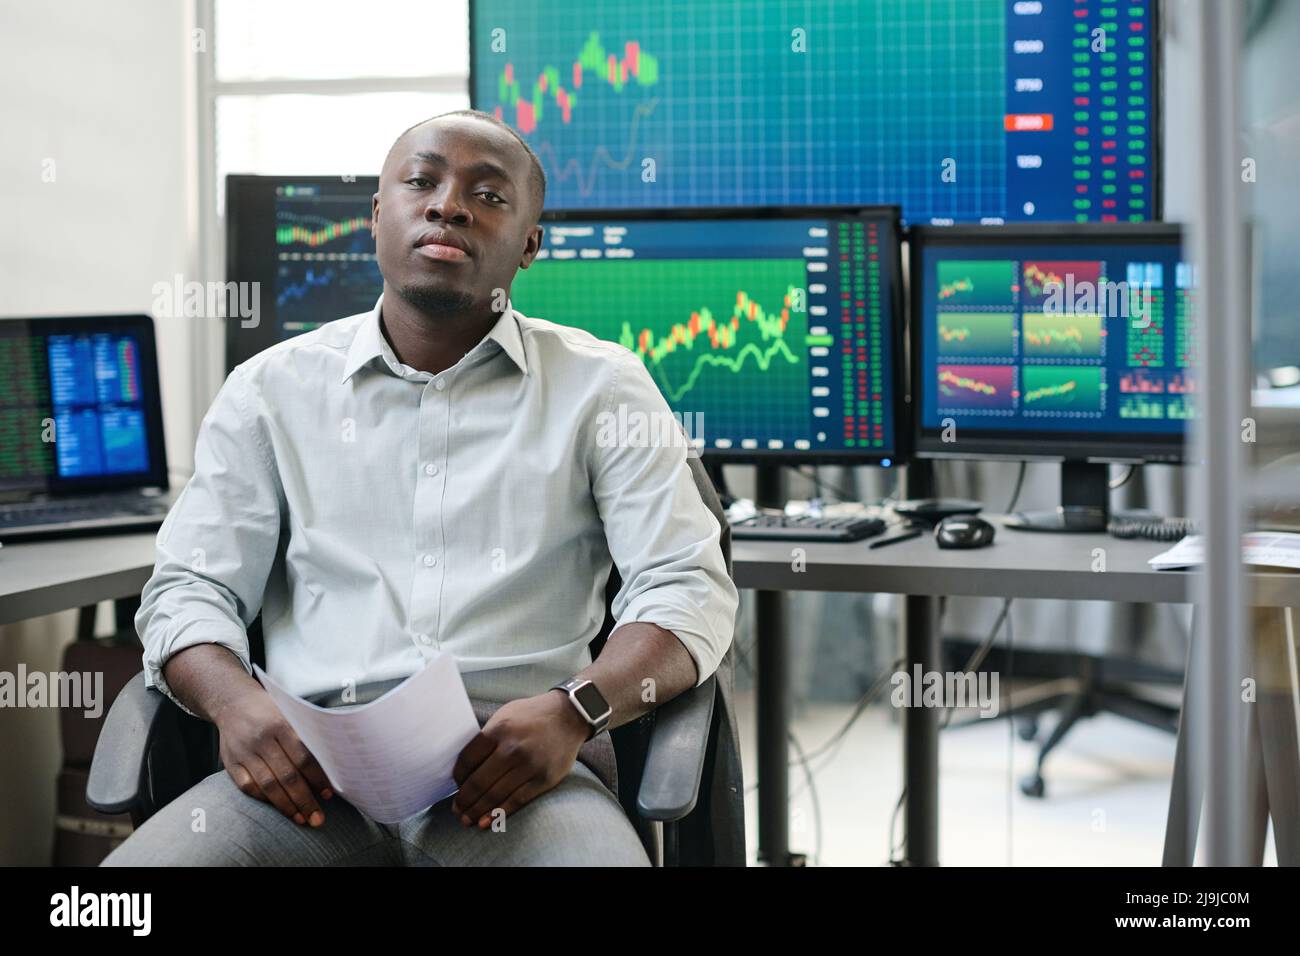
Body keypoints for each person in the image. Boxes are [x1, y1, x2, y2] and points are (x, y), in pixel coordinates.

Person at [103, 109, 737, 866]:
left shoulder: (602, 389)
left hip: (520, 780)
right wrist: (237, 708)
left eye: (489, 195)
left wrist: (577, 712)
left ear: (529, 245)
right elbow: (187, 590)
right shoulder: (269, 391)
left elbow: (687, 590)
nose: (448, 205)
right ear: (378, 216)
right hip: (302, 782)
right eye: (421, 182)